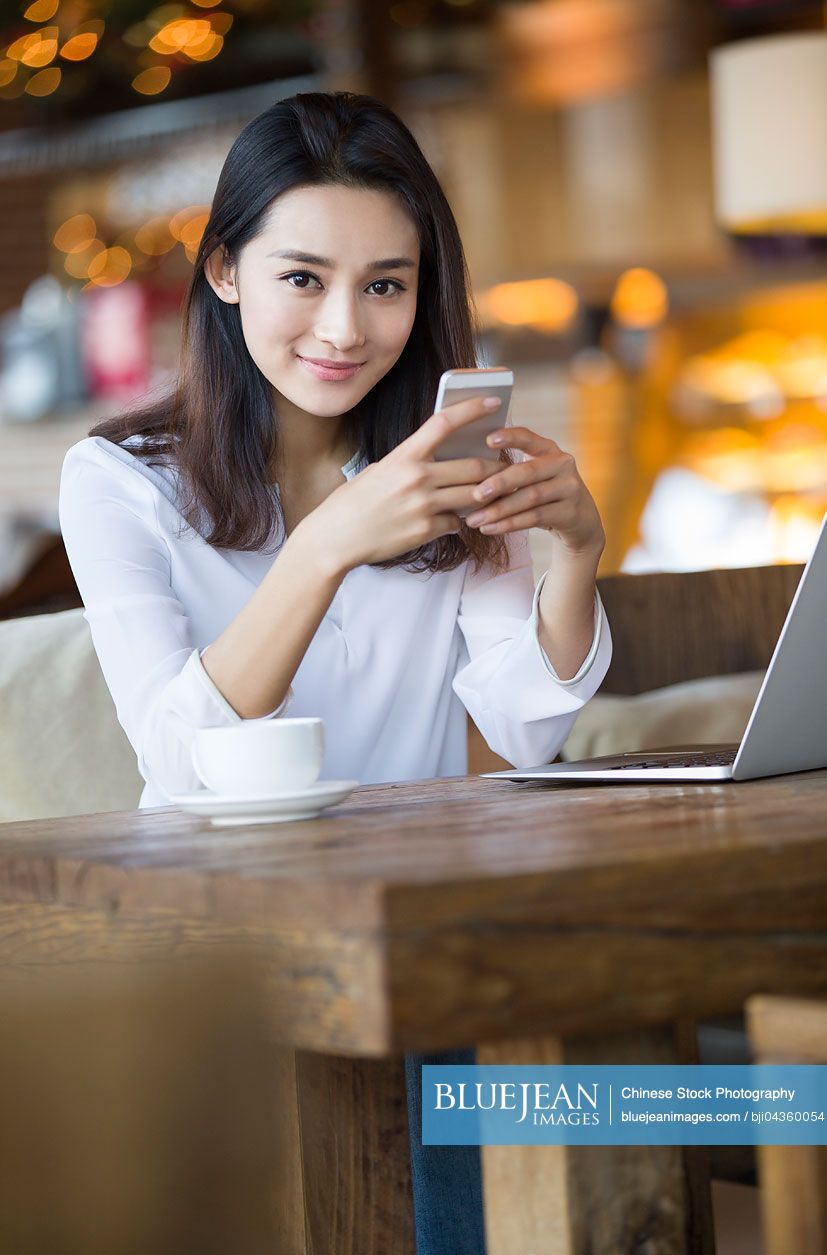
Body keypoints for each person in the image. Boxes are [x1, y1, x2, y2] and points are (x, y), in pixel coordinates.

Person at [59, 91, 612, 1254]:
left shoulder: (440, 467)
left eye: (386, 285)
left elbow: (524, 732)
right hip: (225, 952)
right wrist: (325, 541)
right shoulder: (120, 480)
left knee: (550, 1069)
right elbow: (175, 751)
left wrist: (575, 553)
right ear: (225, 272)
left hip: (420, 937)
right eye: (302, 277)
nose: (345, 329)